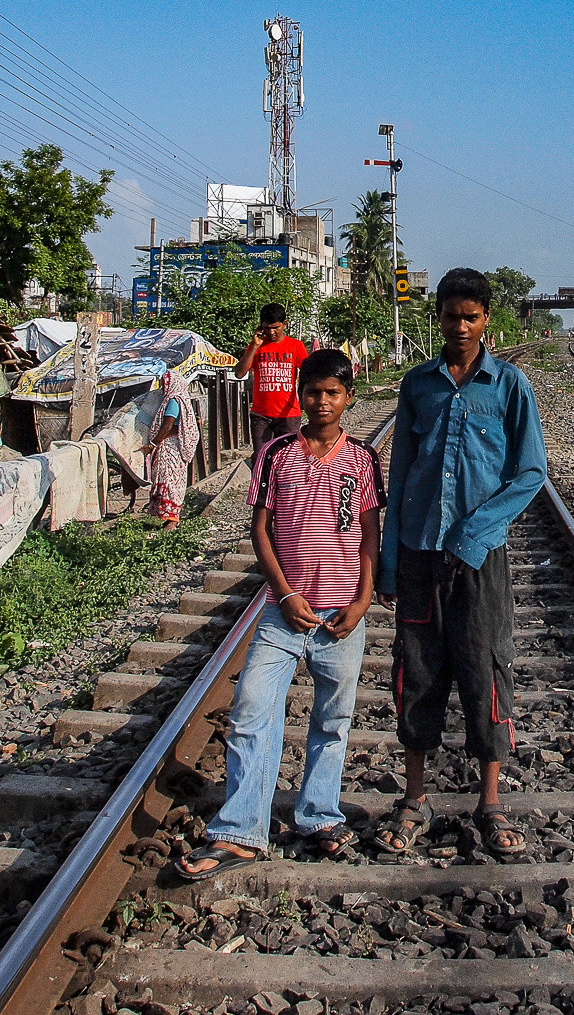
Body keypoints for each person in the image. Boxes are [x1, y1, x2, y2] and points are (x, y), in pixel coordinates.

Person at [174, 348, 383, 877]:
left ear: (348, 397)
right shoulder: (276, 454)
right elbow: (260, 531)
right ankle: (242, 828)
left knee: (333, 720)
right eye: (312, 391)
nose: (321, 401)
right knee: (249, 712)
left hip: (341, 614)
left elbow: (370, 537)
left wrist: (362, 600)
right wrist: (285, 595)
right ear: (299, 393)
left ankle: (319, 815)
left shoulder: (362, 460)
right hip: (282, 611)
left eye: (332, 392)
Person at [374, 267, 547, 860]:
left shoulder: (510, 387)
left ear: (486, 320)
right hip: (421, 553)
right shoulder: (417, 386)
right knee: (416, 671)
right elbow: (399, 476)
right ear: (439, 317)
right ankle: (414, 796)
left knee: (484, 667)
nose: (461, 326)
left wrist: (475, 529)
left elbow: (530, 475)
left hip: (477, 558)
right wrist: (390, 560)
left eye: (472, 316)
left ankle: (490, 802)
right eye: (452, 315)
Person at [236, 304, 308, 454]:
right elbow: (239, 373)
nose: (272, 332)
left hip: (289, 416)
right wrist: (255, 347)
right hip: (261, 416)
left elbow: (309, 370)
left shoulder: (295, 346)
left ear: (284, 324)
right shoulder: (257, 345)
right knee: (262, 459)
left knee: (288, 459)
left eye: (276, 327)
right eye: (267, 328)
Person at [143, 367, 200, 527]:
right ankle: (169, 517)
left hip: (170, 446)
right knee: (172, 480)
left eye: (164, 383)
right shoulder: (181, 398)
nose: (163, 387)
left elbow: (167, 426)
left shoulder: (174, 400)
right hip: (175, 446)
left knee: (169, 480)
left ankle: (172, 520)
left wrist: (152, 444)